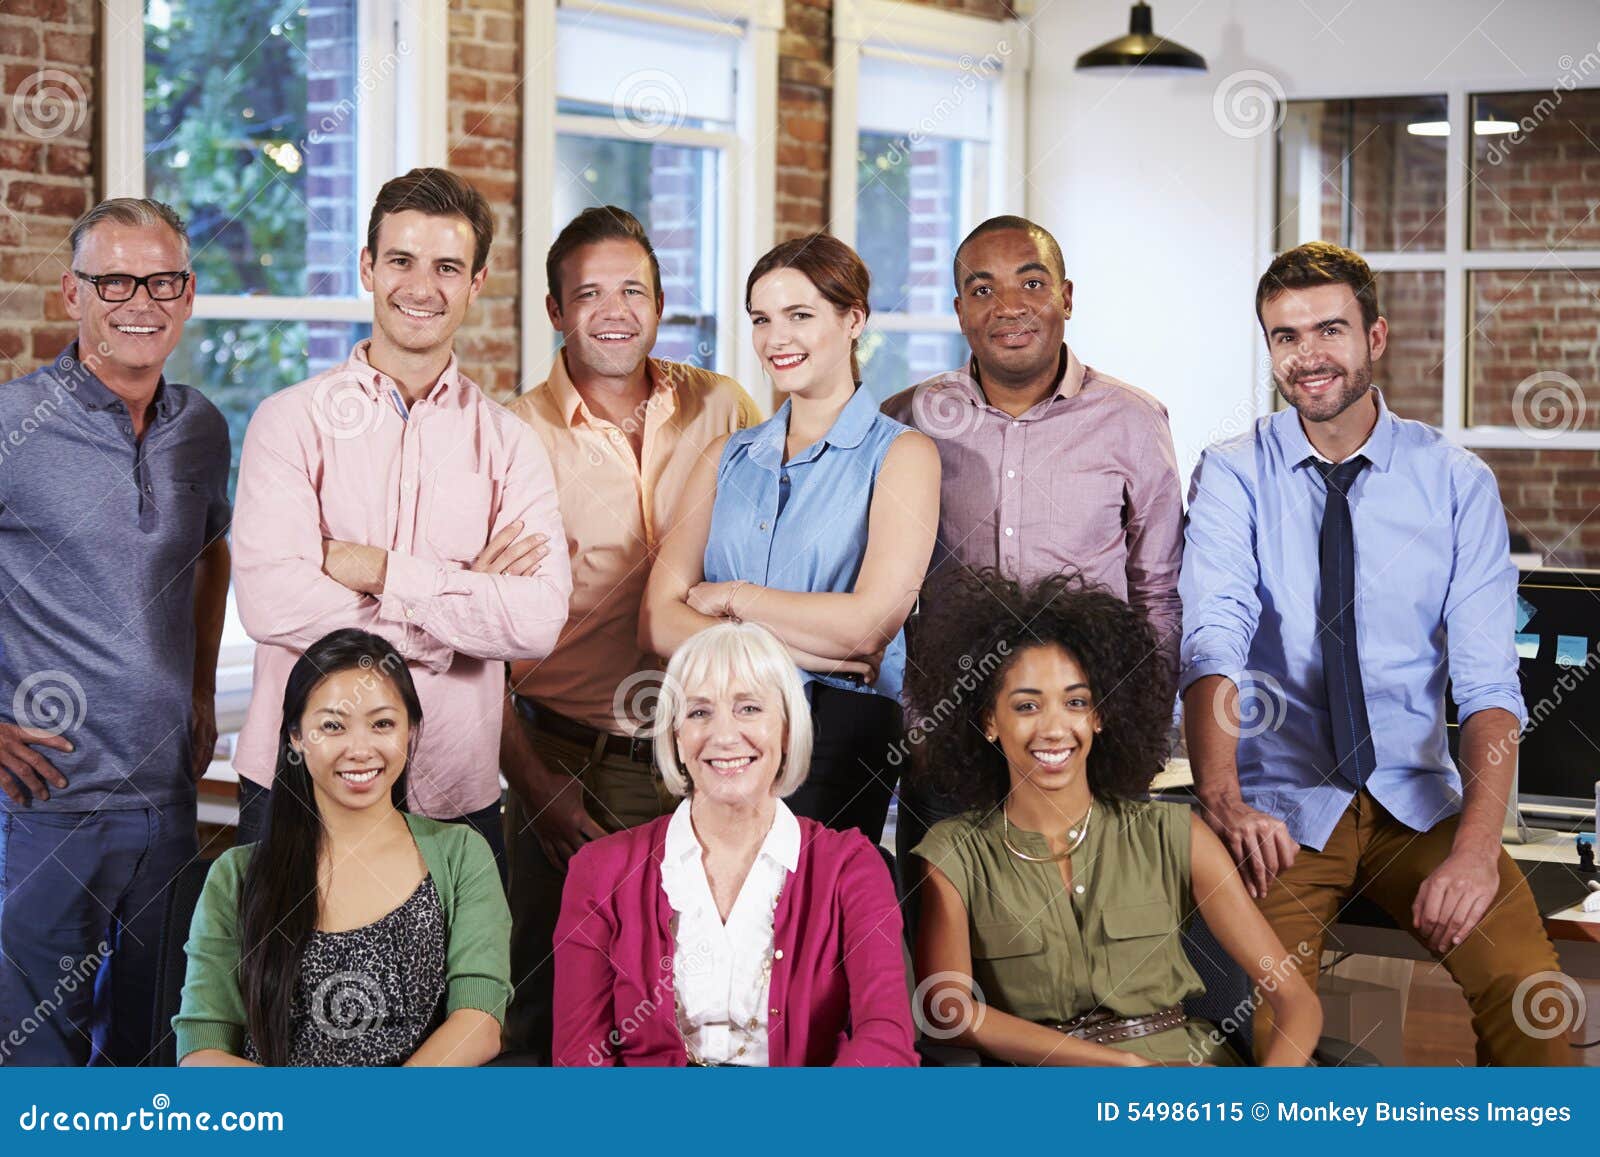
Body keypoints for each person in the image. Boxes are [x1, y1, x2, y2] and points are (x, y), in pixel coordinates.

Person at [1180, 241, 1569, 1065]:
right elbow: (1213, 638)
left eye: (1329, 330)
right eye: (1285, 337)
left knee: (1532, 1002)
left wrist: (1473, 850)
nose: (1308, 356)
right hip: (1280, 810)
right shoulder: (1231, 475)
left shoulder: (1454, 481)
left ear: (1376, 337)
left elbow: (1488, 682)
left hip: (1417, 801)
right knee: (1269, 1029)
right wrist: (1222, 797)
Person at [231, 168, 572, 868]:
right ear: (367, 267)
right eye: (401, 261)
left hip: (453, 794)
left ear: (476, 282)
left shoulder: (510, 445)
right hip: (299, 789)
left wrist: (378, 570)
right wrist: (450, 618)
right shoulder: (288, 422)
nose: (422, 287)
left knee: (464, 982)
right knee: (279, 982)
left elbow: (536, 619)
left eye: (447, 266)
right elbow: (270, 601)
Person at [499, 206, 760, 1057]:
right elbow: (475, 647)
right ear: (553, 309)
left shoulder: (725, 407)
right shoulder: (508, 435)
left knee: (704, 1000)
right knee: (547, 1002)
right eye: (590, 293)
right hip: (573, 761)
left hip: (709, 756)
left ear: (658, 302)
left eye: (633, 290)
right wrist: (534, 781)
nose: (615, 310)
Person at [909, 570, 1321, 1066]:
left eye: (1076, 702)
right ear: (989, 722)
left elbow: (1296, 1002)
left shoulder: (1175, 834)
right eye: (1027, 706)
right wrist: (1116, 1065)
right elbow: (949, 1012)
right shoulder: (954, 854)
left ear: (1100, 715)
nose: (1056, 728)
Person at [0, 198, 231, 1066]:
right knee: (36, 1058)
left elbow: (212, 555)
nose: (142, 300)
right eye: (115, 280)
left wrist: (202, 689)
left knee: (152, 1045)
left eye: (163, 279)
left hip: (167, 799)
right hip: (47, 801)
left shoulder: (201, 427)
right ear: (73, 294)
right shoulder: (12, 426)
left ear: (188, 292)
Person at [882, 214, 1183, 871]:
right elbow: (885, 596)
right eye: (983, 289)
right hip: (949, 743)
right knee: (944, 949)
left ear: (1066, 297)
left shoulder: (1132, 422)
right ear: (959, 310)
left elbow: (1157, 592)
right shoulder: (908, 420)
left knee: (1086, 950)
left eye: (1032, 282)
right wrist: (916, 722)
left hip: (1083, 744)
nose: (1009, 306)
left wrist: (1142, 733)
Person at [641, 233, 939, 844]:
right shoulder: (726, 455)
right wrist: (810, 651)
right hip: (714, 727)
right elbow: (656, 623)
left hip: (839, 734)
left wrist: (730, 597)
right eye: (761, 319)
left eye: (799, 316)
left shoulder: (904, 455)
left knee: (807, 921)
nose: (776, 339)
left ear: (853, 319)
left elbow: (866, 629)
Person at [553, 621, 917, 1066]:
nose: (724, 736)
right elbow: (579, 1058)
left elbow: (886, 1041)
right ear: (676, 737)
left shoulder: (851, 866)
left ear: (786, 729)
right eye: (699, 712)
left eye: (748, 708)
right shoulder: (598, 871)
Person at [173, 630, 510, 1066]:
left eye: (383, 724)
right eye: (332, 725)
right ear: (295, 736)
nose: (360, 749)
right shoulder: (235, 874)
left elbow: (479, 1023)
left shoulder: (462, 855)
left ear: (410, 730)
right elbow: (202, 1052)